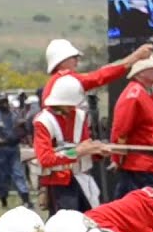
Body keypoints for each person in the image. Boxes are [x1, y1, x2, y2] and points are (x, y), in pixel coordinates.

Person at [33, 76, 108, 212]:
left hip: (83, 178)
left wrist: (96, 151)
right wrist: (78, 152)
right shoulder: (44, 121)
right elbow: (46, 159)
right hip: (59, 183)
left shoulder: (79, 116)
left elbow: (85, 144)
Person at [109, 57, 153, 197]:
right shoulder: (134, 95)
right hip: (139, 166)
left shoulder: (148, 92)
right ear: (141, 73)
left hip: (150, 163)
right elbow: (121, 130)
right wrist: (117, 158)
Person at [42, 38, 153, 105]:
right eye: (74, 58)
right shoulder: (67, 80)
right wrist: (134, 57)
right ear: (62, 60)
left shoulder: (53, 83)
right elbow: (100, 76)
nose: (77, 61)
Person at [0, 93, 31, 208]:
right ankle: (3, 200)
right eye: (1, 102)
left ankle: (26, 200)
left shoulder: (15, 114)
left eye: (5, 101)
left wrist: (21, 128)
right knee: (1, 177)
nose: (4, 104)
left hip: (13, 148)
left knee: (18, 173)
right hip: (0, 149)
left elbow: (23, 128)